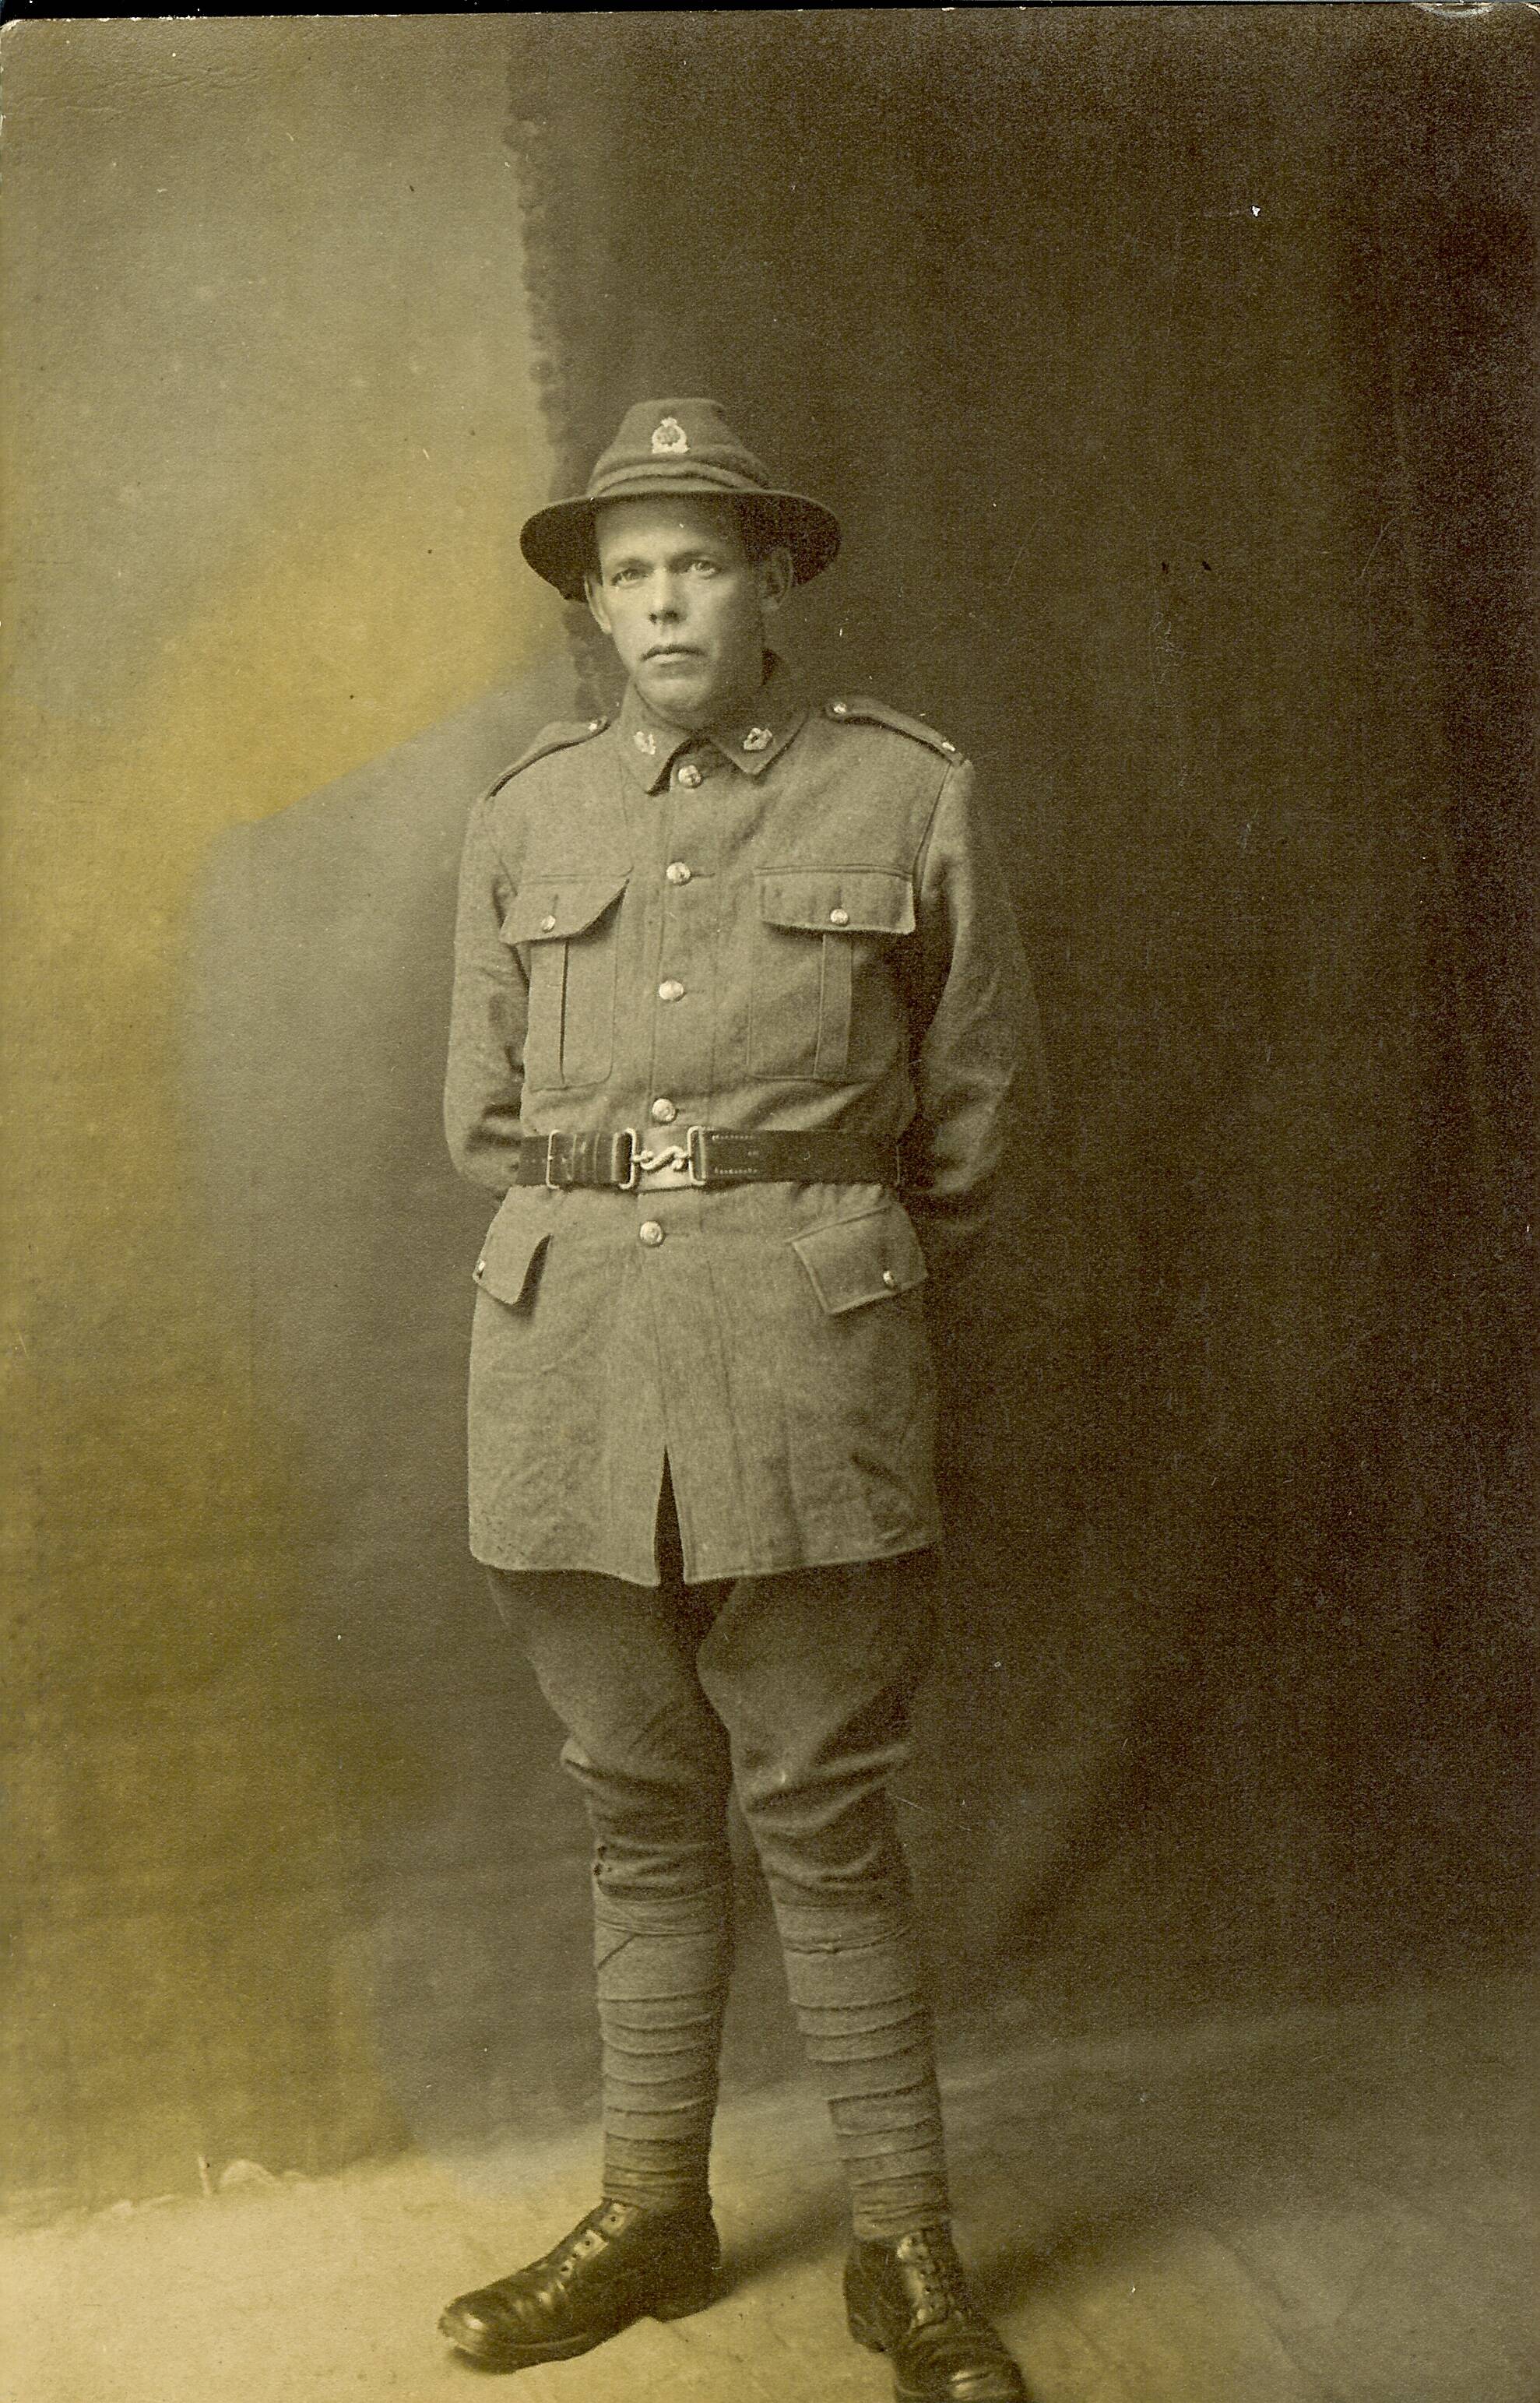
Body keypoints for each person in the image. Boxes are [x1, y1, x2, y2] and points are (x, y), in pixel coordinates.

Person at [438, 397, 1043, 2401]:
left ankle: (902, 2246)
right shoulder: (525, 816)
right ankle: (651, 2206)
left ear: (773, 583)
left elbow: (973, 1119)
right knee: (631, 1804)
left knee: (824, 1804)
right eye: (628, 572)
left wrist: (817, 1264)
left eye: (700, 561)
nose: (664, 598)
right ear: (593, 610)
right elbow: (483, 1116)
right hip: (570, 1365)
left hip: (808, 1353)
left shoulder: (901, 794)